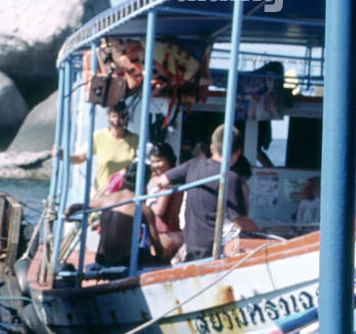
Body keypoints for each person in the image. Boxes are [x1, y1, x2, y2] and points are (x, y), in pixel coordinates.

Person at [151, 124, 256, 261]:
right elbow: (241, 222)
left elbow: (161, 181)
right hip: (212, 252)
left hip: (190, 247)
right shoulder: (230, 178)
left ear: (212, 148)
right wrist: (262, 234)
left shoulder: (193, 164)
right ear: (238, 152)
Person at [54, 102, 139, 203]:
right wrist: (63, 155)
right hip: (102, 194)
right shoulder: (98, 136)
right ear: (108, 118)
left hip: (124, 196)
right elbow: (81, 157)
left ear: (127, 118)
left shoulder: (135, 140)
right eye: (114, 116)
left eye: (121, 117)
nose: (117, 120)